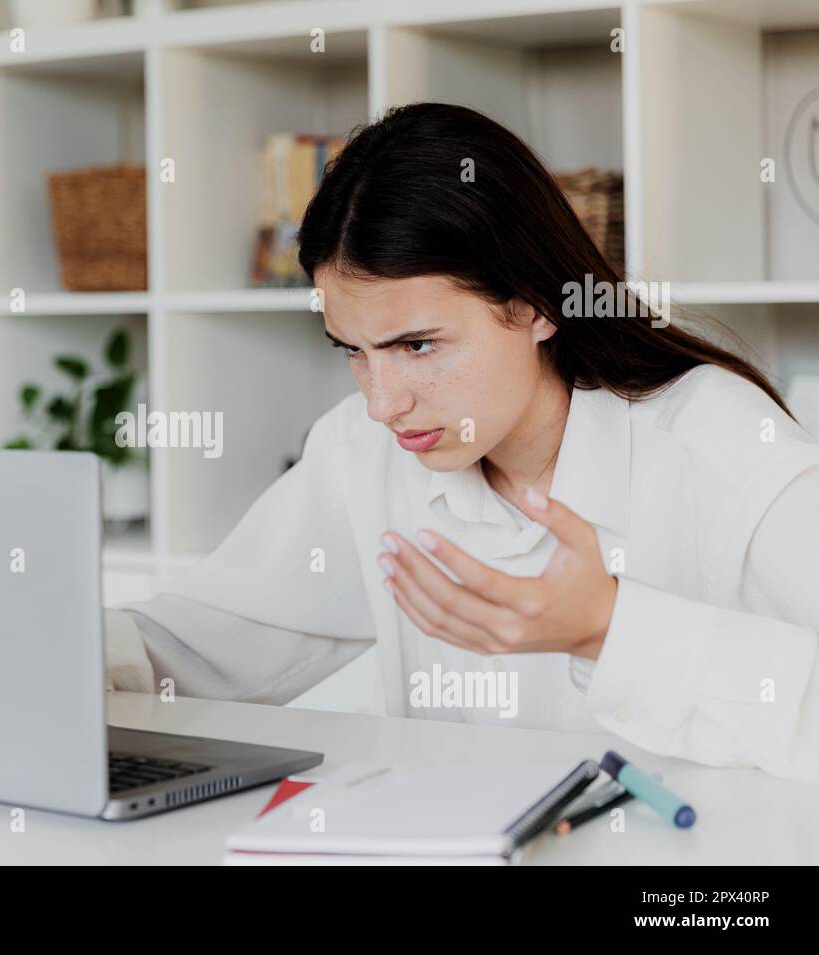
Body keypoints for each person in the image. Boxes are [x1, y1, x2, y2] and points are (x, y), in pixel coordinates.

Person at [104, 103, 819, 779]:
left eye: (418, 344)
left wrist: (607, 627)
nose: (383, 402)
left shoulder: (718, 441)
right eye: (352, 350)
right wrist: (44, 650)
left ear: (535, 304)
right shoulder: (367, 450)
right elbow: (193, 648)